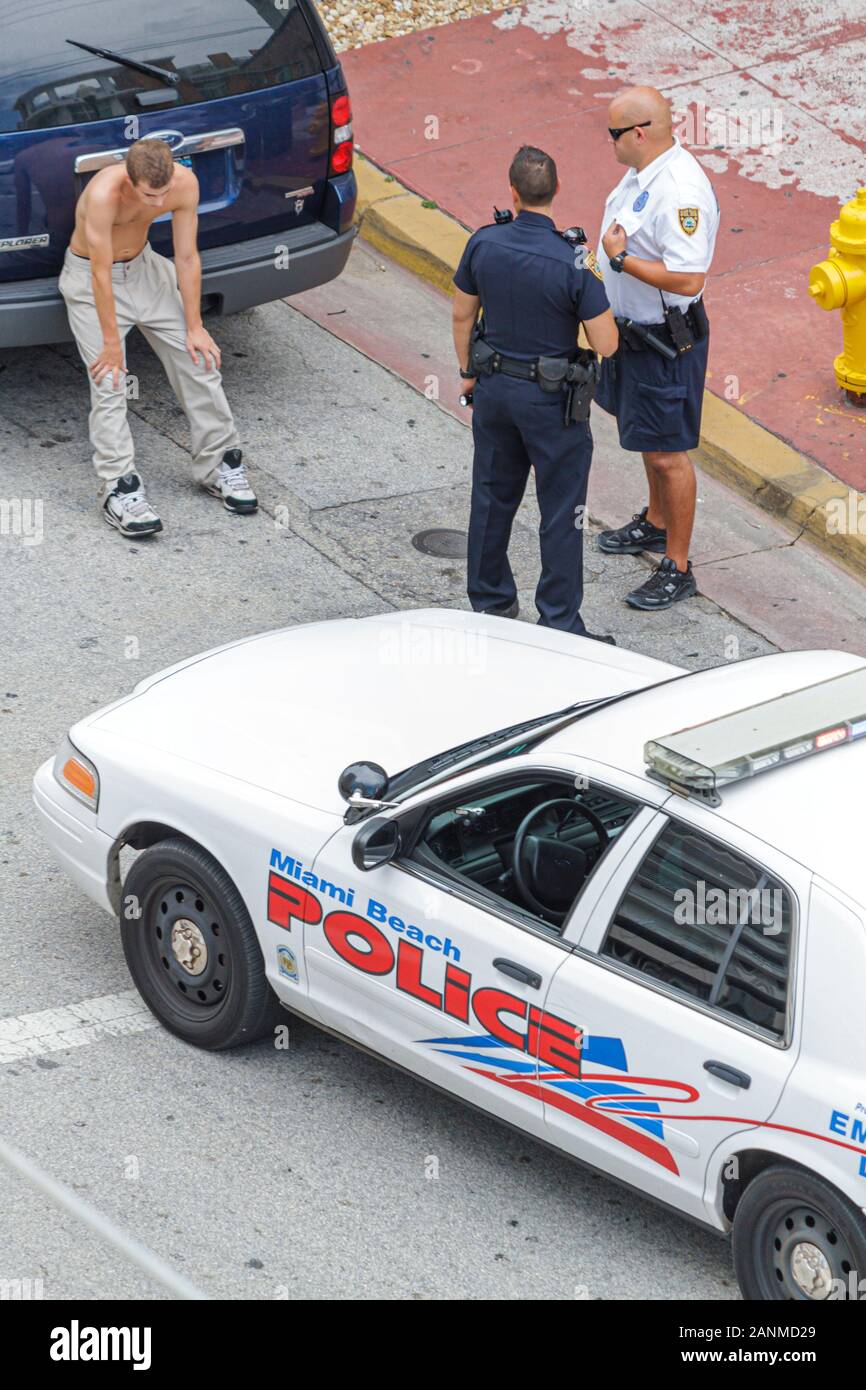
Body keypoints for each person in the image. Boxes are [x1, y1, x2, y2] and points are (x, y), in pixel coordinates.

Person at [452, 146, 619, 640]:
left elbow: (463, 314)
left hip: (495, 390)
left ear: (513, 193)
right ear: (557, 192)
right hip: (552, 404)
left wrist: (466, 370)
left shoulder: (483, 242)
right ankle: (560, 622)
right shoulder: (574, 259)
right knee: (562, 511)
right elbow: (605, 342)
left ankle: (490, 603)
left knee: (491, 496)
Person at [59, 138, 255, 538]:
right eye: (150, 194)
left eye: (163, 192)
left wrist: (195, 324)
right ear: (130, 181)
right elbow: (99, 274)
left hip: (147, 269)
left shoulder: (183, 183)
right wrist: (113, 344)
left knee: (198, 358)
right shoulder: (102, 194)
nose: (158, 202)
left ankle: (219, 465)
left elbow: (186, 256)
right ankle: (120, 489)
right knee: (110, 379)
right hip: (92, 277)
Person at [594, 86, 719, 610]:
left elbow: (688, 278)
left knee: (669, 453)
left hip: (665, 342)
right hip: (632, 336)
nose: (610, 143)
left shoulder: (681, 191)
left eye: (613, 134)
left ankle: (679, 566)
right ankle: (655, 520)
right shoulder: (641, 174)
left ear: (639, 133)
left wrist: (621, 262)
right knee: (644, 433)